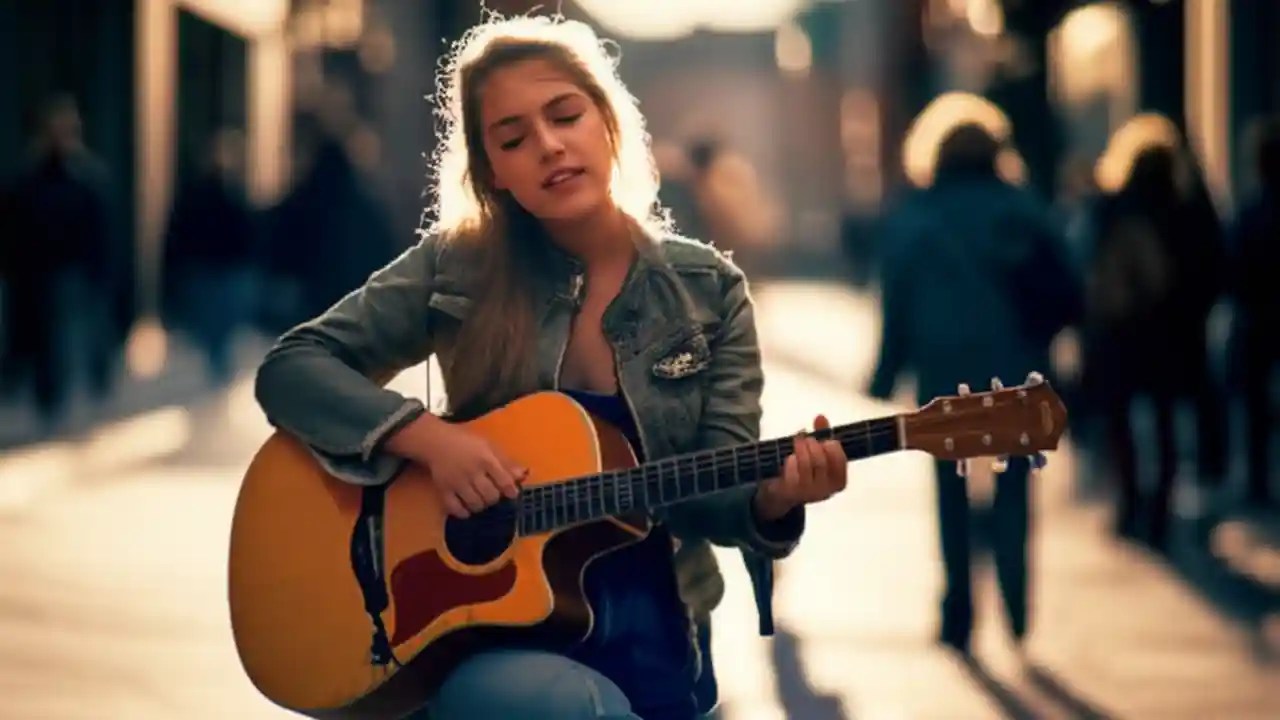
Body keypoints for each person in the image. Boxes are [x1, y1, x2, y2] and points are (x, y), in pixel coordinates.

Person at [254, 14, 849, 720]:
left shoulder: (708, 292)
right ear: (492, 172)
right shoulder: (457, 267)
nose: (548, 145)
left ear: (608, 123)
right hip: (485, 631)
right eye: (513, 139)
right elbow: (292, 367)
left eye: (565, 116)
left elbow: (712, 490)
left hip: (658, 631)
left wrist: (774, 501)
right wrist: (433, 443)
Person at [869, 123, 1081, 654]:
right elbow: (1067, 290)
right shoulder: (1022, 210)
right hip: (1016, 373)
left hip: (944, 375)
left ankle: (957, 608)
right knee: (1014, 486)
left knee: (951, 488)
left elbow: (896, 299)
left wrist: (885, 373)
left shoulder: (917, 215)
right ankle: (1016, 599)